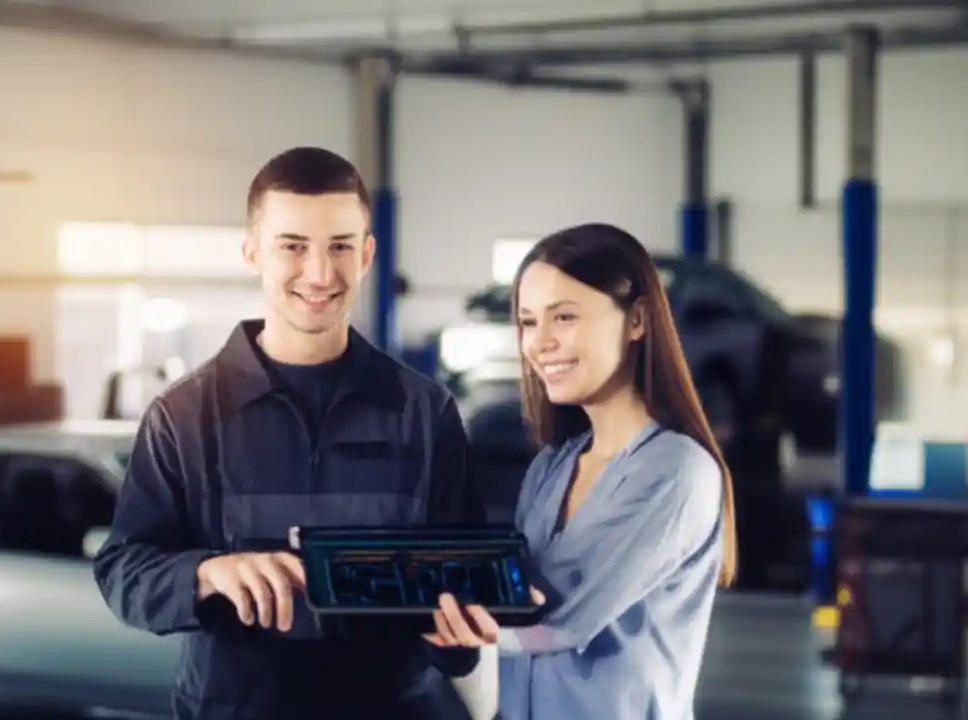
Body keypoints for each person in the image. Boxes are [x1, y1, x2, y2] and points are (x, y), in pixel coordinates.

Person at [92, 146, 483, 720]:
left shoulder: (424, 410)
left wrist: (457, 638)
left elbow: (464, 579)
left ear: (368, 254)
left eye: (340, 247)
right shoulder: (185, 415)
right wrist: (206, 572)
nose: (320, 273)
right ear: (253, 253)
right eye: (293, 246)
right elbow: (124, 570)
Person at [426, 223, 739, 720]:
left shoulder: (676, 471)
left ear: (636, 319)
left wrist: (438, 616)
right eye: (527, 322)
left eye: (564, 317)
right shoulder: (552, 467)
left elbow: (562, 621)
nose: (539, 342)